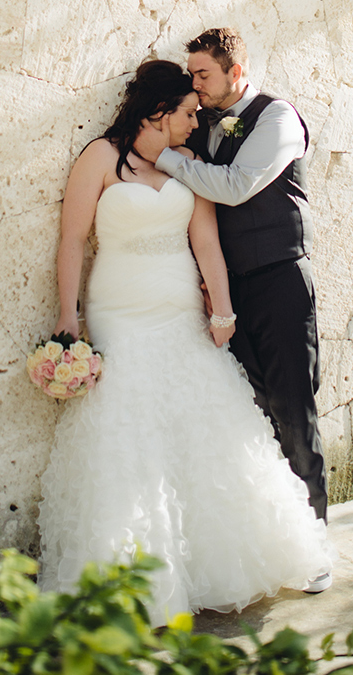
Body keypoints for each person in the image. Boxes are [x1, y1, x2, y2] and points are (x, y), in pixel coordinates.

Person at [36, 59, 329, 623]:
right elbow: (72, 239)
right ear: (159, 112)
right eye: (188, 112)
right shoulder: (100, 158)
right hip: (120, 311)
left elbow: (207, 244)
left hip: (181, 311)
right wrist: (68, 316)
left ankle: (213, 565)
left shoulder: (190, 165)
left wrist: (222, 311)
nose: (197, 122)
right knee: (130, 429)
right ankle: (133, 573)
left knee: (204, 424)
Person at [131, 29, 329, 593]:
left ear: (235, 71)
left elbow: (237, 186)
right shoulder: (205, 125)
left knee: (294, 411)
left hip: (280, 282)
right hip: (230, 291)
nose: (194, 84)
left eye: (203, 74)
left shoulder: (278, 118)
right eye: (192, 75)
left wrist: (163, 157)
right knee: (252, 415)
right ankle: (274, 543)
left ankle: (315, 548)